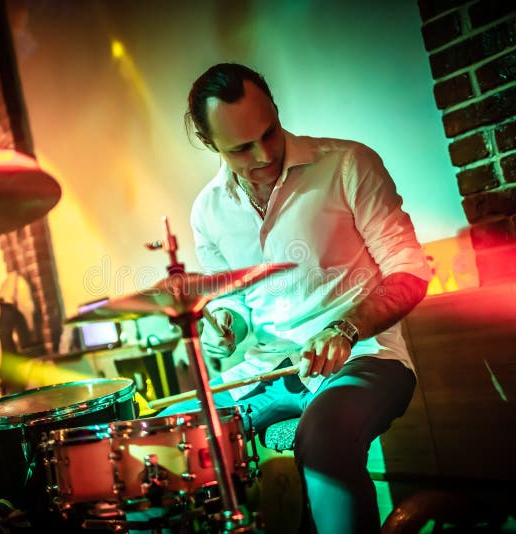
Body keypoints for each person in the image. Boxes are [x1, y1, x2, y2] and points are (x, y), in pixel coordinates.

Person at [161, 62, 431, 533]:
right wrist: (224, 325)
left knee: (324, 436)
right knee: (164, 439)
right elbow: (236, 306)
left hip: (365, 360)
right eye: (241, 148)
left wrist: (344, 327)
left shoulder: (348, 164)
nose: (264, 154)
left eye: (269, 132)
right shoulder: (208, 210)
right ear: (210, 144)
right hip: (269, 373)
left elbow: (410, 270)